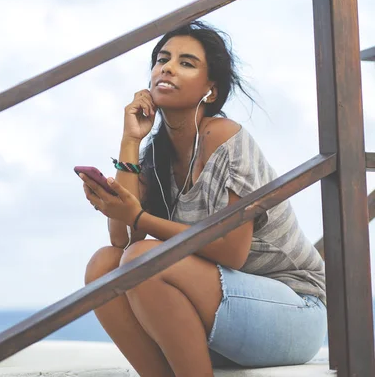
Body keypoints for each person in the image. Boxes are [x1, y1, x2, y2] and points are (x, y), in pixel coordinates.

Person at [81, 20, 327, 377]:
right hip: (220, 314)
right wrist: (130, 140)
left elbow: (231, 251)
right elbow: (121, 238)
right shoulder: (156, 156)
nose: (166, 67)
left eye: (186, 62)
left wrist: (139, 218)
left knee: (144, 258)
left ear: (210, 90)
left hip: (294, 311)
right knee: (103, 265)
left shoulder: (228, 141)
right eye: (162, 59)